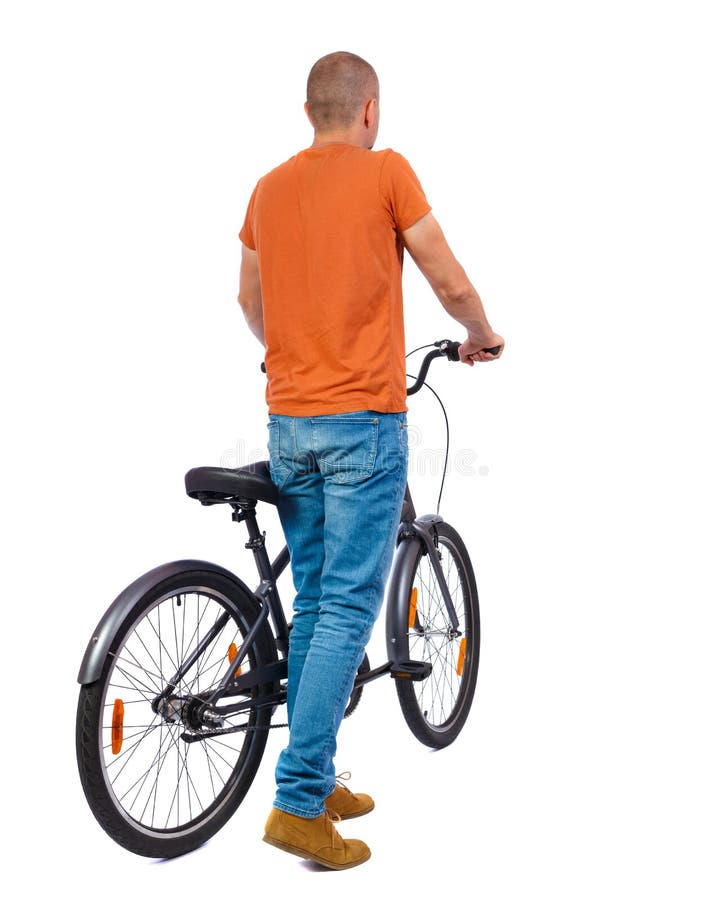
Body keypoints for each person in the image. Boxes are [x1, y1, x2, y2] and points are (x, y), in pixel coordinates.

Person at [237, 50, 504, 870]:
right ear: (369, 110)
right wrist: (481, 334)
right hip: (362, 427)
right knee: (349, 610)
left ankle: (313, 771)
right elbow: (447, 279)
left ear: (308, 110)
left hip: (288, 424)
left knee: (318, 602)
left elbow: (250, 299)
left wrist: (294, 357)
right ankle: (298, 802)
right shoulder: (387, 173)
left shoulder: (269, 188)